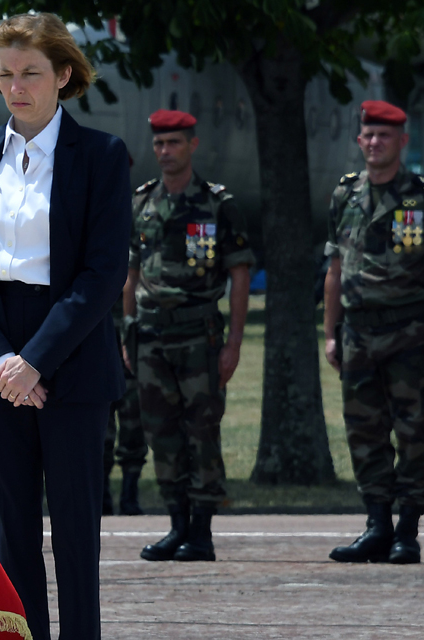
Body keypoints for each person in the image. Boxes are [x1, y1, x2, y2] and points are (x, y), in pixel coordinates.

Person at [0, 14, 130, 640]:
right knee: (12, 531)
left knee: (76, 534)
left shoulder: (101, 155)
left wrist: (36, 361)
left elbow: (103, 274)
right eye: (5, 75)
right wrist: (0, 362)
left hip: (70, 353)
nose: (16, 87)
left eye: (30, 73)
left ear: (63, 75)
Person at [325, 101, 424, 565]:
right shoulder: (345, 196)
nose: (375, 143)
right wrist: (329, 332)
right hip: (358, 333)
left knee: (411, 431)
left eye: (385, 136)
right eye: (369, 135)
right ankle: (376, 526)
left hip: (409, 332)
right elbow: (335, 267)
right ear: (359, 140)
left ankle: (408, 531)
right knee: (364, 432)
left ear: (403, 142)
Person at [126, 110, 254, 562]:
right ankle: (176, 525)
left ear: (192, 145)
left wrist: (234, 341)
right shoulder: (141, 202)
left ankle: (201, 532)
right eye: (159, 144)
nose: (165, 152)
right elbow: (131, 273)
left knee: (201, 431)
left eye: (174, 143)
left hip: (198, 335)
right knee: (160, 432)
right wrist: (127, 331)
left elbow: (240, 274)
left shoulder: (218, 205)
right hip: (151, 337)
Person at [102, 295, 146, 516]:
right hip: (100, 356)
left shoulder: (138, 264)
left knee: (134, 430)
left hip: (133, 355)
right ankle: (101, 498)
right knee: (100, 434)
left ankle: (130, 495)